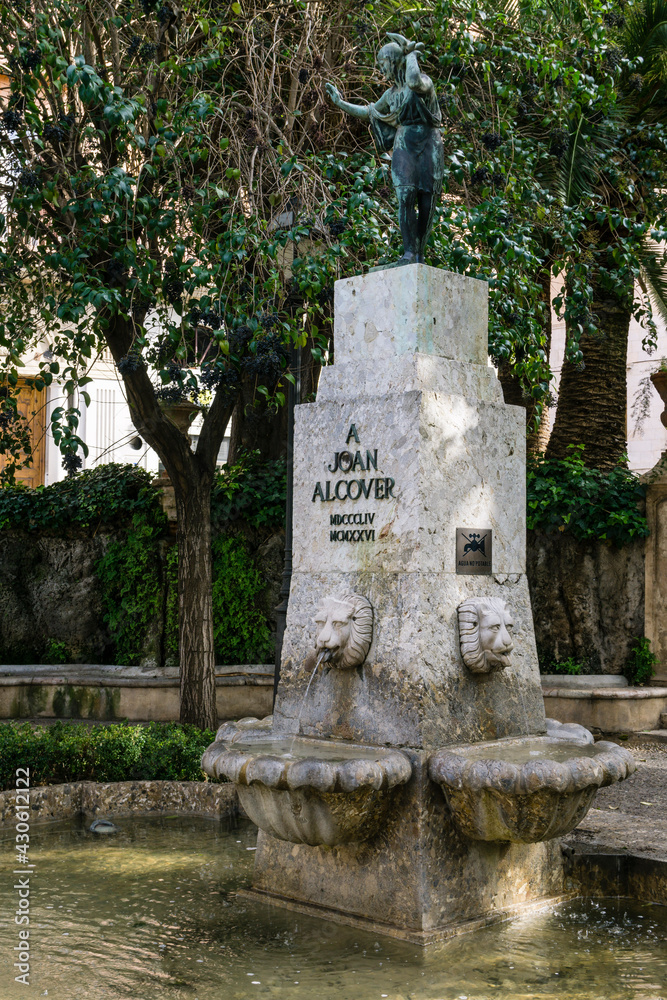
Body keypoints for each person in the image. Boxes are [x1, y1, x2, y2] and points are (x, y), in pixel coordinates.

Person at [326, 32, 444, 266]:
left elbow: (414, 82)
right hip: (404, 145)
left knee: (427, 202)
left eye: (383, 64)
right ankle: (409, 252)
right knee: (405, 195)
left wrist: (411, 54)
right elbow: (368, 111)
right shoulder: (390, 95)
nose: (381, 70)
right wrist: (340, 103)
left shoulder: (424, 82)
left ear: (394, 61)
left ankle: (420, 254)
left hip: (429, 142)